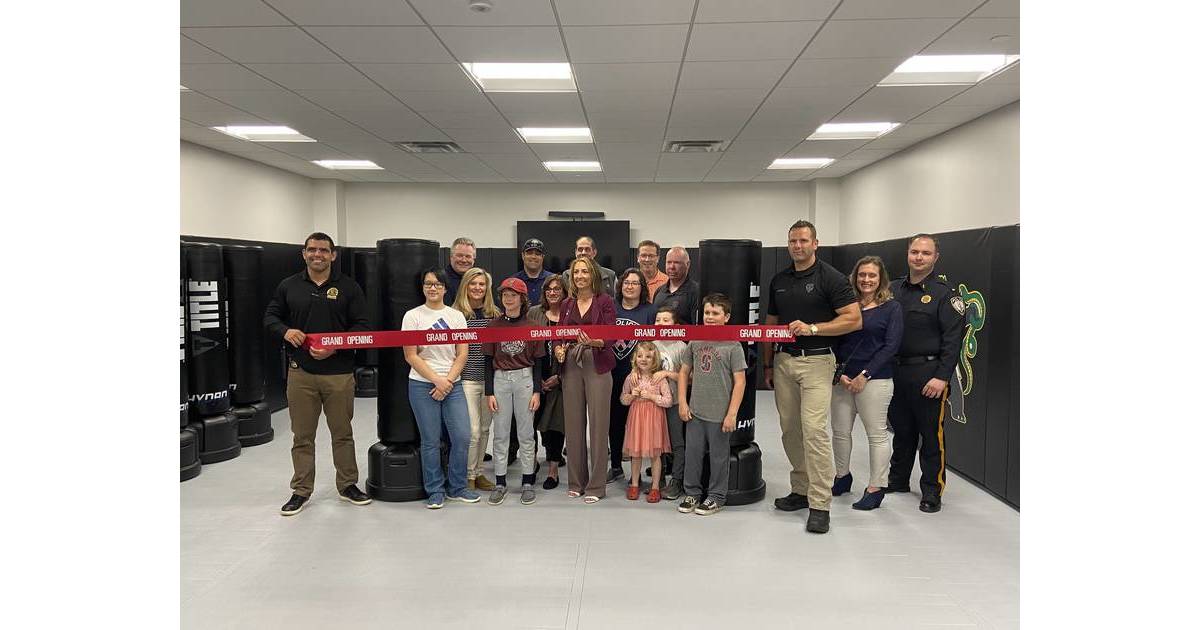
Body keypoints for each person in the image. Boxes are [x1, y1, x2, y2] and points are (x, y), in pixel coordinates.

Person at [762, 220, 862, 534]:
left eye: (804, 241)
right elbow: (770, 323)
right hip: (784, 362)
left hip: (817, 361)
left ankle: (820, 504)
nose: (798, 246)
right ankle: (801, 489)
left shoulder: (831, 278)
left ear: (815, 243)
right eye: (793, 241)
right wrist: (767, 364)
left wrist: (814, 328)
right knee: (790, 429)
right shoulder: (780, 280)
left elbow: (853, 319)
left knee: (815, 430)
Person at [264, 232, 372, 516]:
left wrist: (335, 347)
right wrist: (286, 331)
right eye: (312, 250)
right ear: (304, 254)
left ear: (333, 255)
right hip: (301, 374)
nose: (317, 255)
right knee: (302, 436)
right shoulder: (289, 286)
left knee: (342, 434)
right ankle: (301, 490)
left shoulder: (348, 287)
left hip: (339, 375)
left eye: (323, 250)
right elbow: (270, 317)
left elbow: (362, 326)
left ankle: (348, 485)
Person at [885, 234, 967, 514]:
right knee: (901, 431)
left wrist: (942, 377)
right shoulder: (893, 288)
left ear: (936, 258)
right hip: (897, 371)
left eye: (925, 253)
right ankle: (898, 480)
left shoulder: (946, 294)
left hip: (929, 374)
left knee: (931, 436)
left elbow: (953, 340)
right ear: (907, 254)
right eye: (914, 252)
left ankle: (932, 490)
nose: (919, 257)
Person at [401, 268, 481, 509]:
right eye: (428, 284)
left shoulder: (456, 317)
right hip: (422, 384)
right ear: (423, 287)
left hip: (452, 384)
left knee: (462, 437)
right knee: (430, 441)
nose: (432, 288)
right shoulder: (412, 316)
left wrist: (447, 382)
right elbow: (411, 355)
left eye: (437, 284)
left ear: (446, 288)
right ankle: (435, 490)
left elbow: (462, 353)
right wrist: (436, 380)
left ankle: (457, 487)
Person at [830, 256, 903, 511]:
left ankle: (875, 487)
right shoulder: (846, 307)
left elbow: (891, 346)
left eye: (872, 275)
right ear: (855, 277)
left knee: (876, 435)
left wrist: (865, 374)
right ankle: (842, 477)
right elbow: (835, 338)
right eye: (862, 275)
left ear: (881, 279)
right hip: (843, 380)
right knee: (840, 432)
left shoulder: (892, 308)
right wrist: (839, 372)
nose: (866, 280)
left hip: (875, 380)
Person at [676, 293, 747, 516]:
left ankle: (716, 496)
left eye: (715, 313)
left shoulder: (733, 345)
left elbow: (740, 381)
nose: (710, 317)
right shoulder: (695, 340)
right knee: (693, 454)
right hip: (695, 411)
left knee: (718, 457)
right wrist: (682, 402)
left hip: (720, 414)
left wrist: (732, 414)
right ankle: (692, 493)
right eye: (707, 312)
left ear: (727, 317)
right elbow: (683, 372)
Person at [554, 256, 617, 503]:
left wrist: (595, 341)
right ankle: (576, 482)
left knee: (599, 426)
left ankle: (596, 486)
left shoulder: (605, 301)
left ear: (593, 275)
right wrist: (558, 349)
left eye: (584, 271)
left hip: (597, 362)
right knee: (573, 424)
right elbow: (559, 333)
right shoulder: (567, 304)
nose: (580, 276)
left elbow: (612, 334)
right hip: (571, 363)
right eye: (576, 272)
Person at [482, 278, 544, 506]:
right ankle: (500, 482)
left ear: (522, 299)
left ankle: (527, 481)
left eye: (513, 295)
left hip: (525, 379)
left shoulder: (533, 326)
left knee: (526, 433)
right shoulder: (493, 326)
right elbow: (487, 360)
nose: (508, 299)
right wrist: (489, 392)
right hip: (500, 379)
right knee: (501, 432)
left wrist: (537, 391)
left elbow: (539, 362)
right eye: (505, 295)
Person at [451, 267, 501, 492]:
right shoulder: (455, 314)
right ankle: (468, 475)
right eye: (473, 283)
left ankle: (479, 473)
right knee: (472, 431)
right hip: (467, 380)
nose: (478, 288)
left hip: (490, 380)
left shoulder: (495, 314)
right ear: (465, 286)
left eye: (482, 284)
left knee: (485, 429)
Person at [607, 268, 656, 484]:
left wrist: (643, 371)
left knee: (640, 424)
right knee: (615, 422)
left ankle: (640, 472)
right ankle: (616, 466)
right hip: (612, 374)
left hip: (640, 378)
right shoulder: (611, 307)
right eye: (626, 282)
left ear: (642, 287)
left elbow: (654, 345)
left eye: (635, 283)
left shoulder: (650, 311)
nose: (630, 286)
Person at [619, 342, 674, 503]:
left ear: (654, 360)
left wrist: (652, 397)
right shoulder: (631, 378)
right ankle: (634, 484)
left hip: (654, 420)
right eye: (640, 356)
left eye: (648, 356)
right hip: (637, 420)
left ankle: (655, 487)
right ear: (635, 358)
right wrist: (632, 395)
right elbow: (623, 399)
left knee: (655, 455)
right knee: (635, 454)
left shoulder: (659, 379)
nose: (643, 359)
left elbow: (668, 401)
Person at [527, 275, 567, 490]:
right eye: (549, 289)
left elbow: (574, 347)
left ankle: (553, 469)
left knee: (555, 425)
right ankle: (531, 463)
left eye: (557, 289)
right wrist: (537, 379)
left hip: (562, 378)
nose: (553, 293)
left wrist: (559, 377)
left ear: (565, 292)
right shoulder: (534, 313)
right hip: (534, 377)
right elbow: (526, 346)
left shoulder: (570, 314)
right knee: (530, 424)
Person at [651, 306, 688, 500]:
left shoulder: (681, 347)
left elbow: (688, 377)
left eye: (666, 320)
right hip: (654, 402)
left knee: (676, 442)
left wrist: (667, 373)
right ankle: (658, 479)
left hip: (673, 402)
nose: (661, 324)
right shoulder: (652, 344)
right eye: (658, 320)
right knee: (657, 441)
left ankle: (677, 480)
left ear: (675, 325)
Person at [651, 246, 700, 324]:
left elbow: (697, 327)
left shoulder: (696, 292)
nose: (672, 267)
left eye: (677, 263)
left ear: (687, 264)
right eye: (669, 262)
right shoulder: (659, 291)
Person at [510, 238, 556, 305]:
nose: (533, 257)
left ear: (543, 257)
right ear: (523, 256)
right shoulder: (513, 281)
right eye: (529, 253)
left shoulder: (553, 280)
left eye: (537, 254)